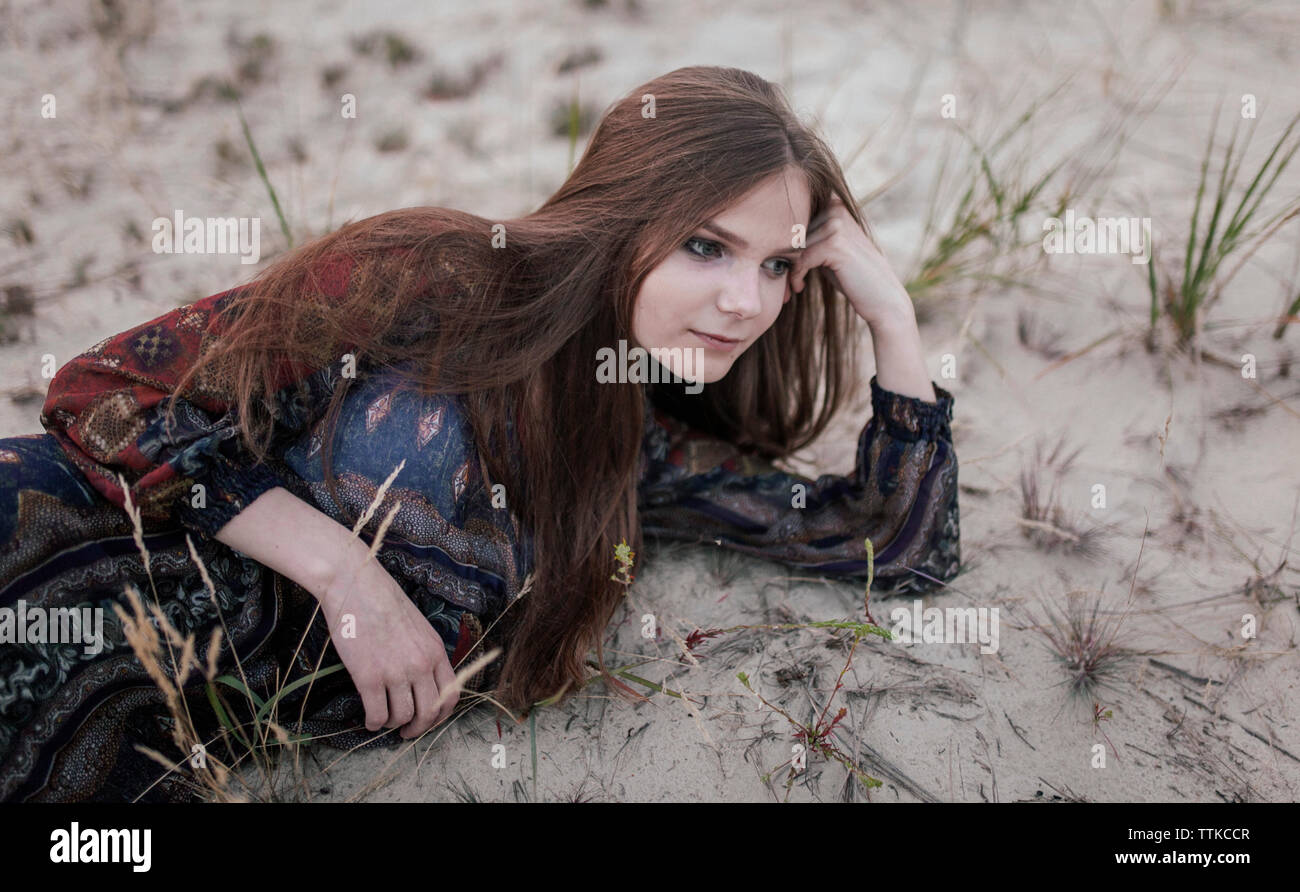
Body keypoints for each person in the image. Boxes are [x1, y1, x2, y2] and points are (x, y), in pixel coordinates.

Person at [0, 65, 960, 803]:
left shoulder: (631, 447)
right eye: (705, 246)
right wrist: (344, 573)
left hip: (115, 739)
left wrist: (894, 322)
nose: (745, 301)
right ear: (622, 218)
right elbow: (102, 397)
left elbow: (892, 545)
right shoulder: (442, 274)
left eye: (780, 266)